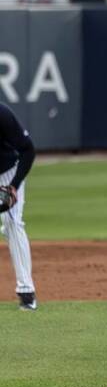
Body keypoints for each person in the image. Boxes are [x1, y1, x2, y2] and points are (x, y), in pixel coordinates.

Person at [0, 103, 37, 310]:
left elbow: (27, 150)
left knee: (12, 221)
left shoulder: (2, 114)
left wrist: (14, 186)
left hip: (7, 174)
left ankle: (26, 292)